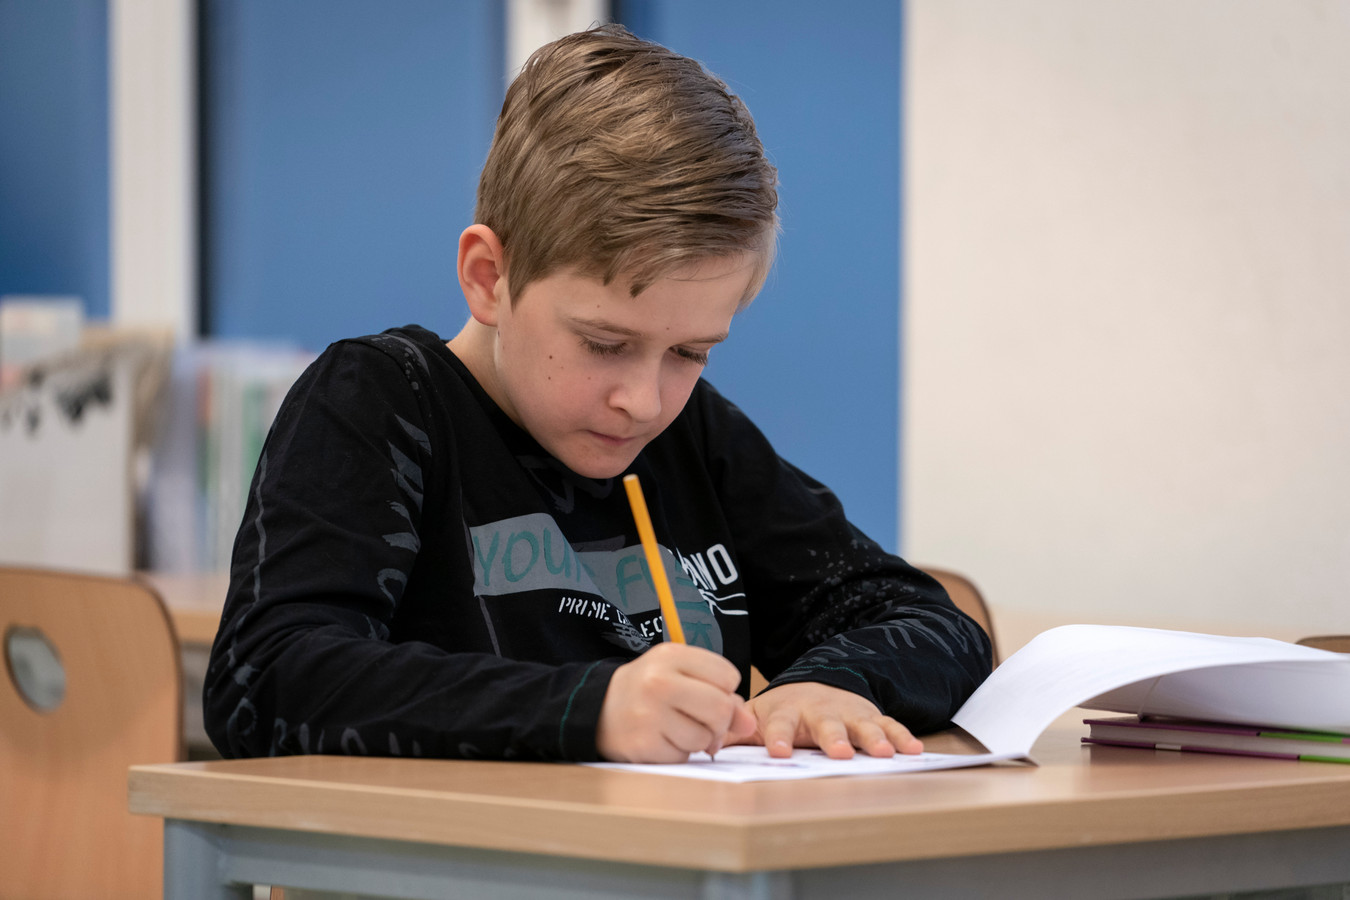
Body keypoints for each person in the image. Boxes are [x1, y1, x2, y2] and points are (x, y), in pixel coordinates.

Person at [203, 24, 992, 764]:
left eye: (690, 352)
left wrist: (832, 686)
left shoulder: (690, 440)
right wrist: (592, 708)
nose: (643, 402)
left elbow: (930, 623)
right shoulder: (380, 404)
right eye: (605, 344)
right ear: (489, 277)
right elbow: (265, 680)